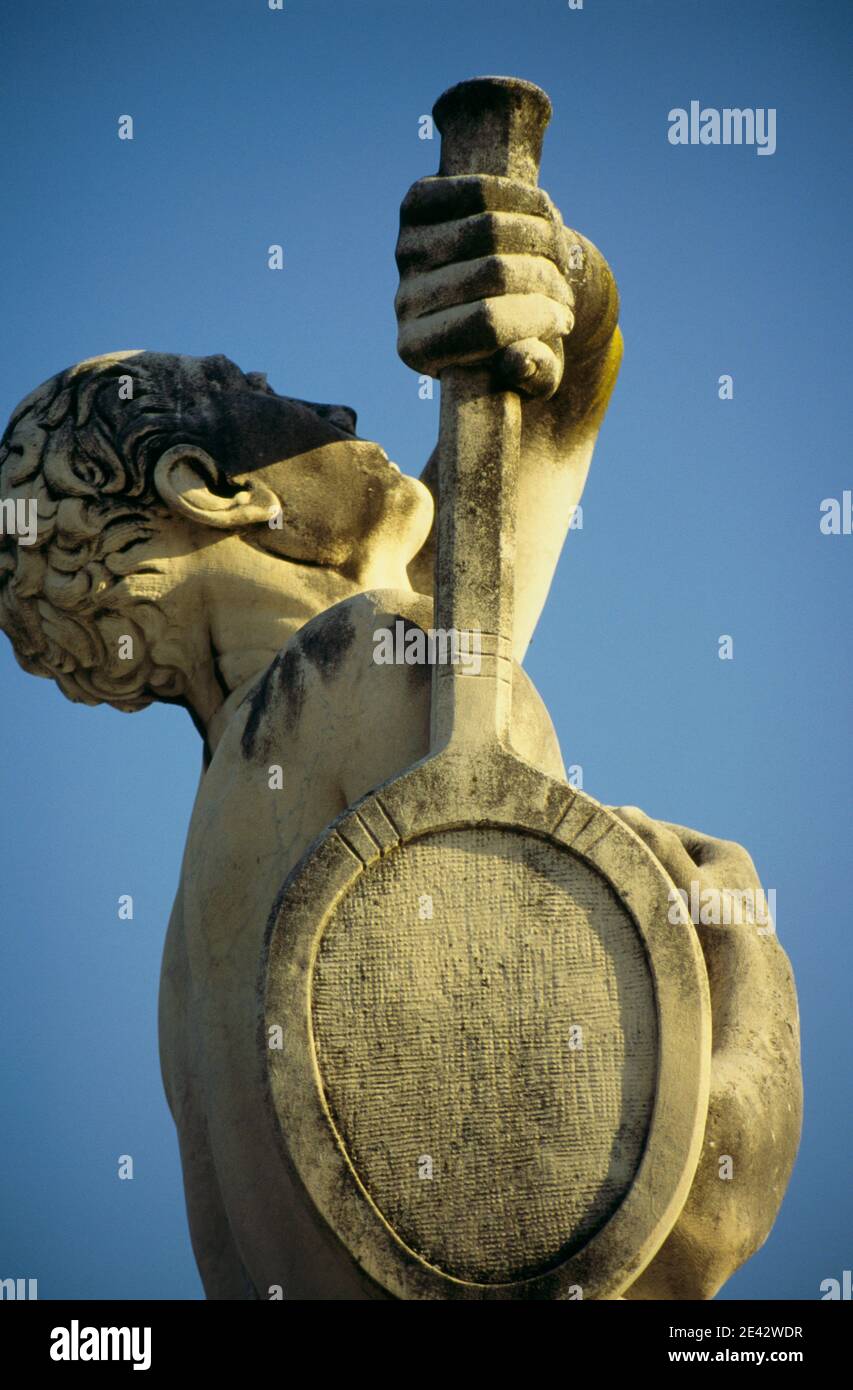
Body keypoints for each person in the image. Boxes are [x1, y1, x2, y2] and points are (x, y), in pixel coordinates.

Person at [0, 169, 801, 1299]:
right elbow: (658, 1214)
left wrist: (557, 285)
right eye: (263, 395)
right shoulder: (376, 664)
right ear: (215, 491)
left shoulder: (207, 916)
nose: (335, 416)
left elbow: (506, 502)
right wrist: (727, 935)